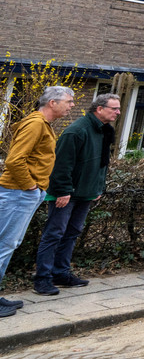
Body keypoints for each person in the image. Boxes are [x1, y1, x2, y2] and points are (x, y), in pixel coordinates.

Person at [32, 93, 120, 296]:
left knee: (71, 233)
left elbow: (101, 162)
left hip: (85, 193)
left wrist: (96, 188)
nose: (117, 112)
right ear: (99, 109)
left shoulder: (105, 130)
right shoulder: (77, 131)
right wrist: (63, 191)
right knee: (54, 234)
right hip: (65, 194)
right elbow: (61, 165)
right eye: (114, 108)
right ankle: (42, 279)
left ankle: (60, 273)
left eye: (118, 109)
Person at [0, 87, 74, 317]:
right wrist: (30, 186)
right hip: (18, 192)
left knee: (9, 243)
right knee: (4, 244)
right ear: (53, 103)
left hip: (23, 193)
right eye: (69, 102)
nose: (72, 106)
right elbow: (14, 160)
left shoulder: (43, 125)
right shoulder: (35, 124)